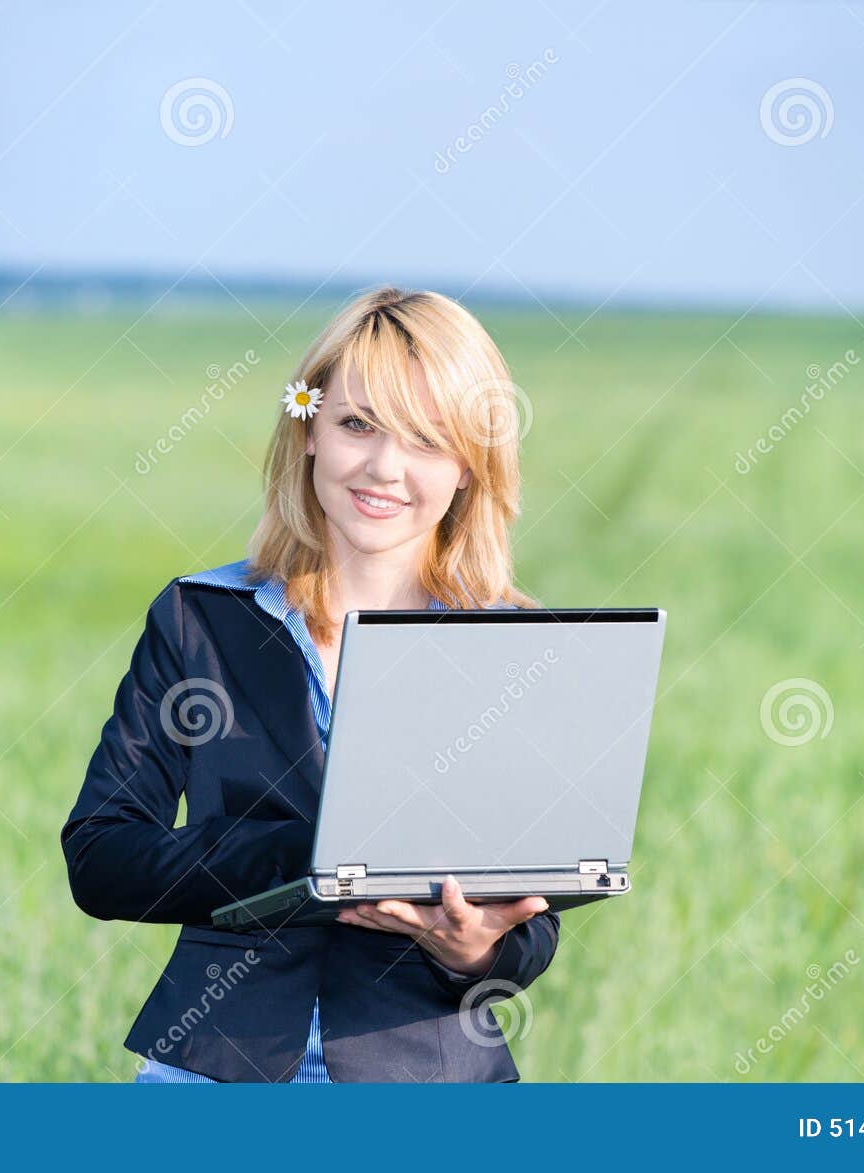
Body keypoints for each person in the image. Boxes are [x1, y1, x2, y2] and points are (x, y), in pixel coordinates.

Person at [60, 286, 559, 1082]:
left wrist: (481, 947)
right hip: (214, 1074)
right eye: (357, 424)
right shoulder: (201, 620)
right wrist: (302, 857)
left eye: (428, 439)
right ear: (308, 433)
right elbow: (102, 852)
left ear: (469, 466)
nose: (384, 467)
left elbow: (536, 895)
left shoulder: (505, 645)